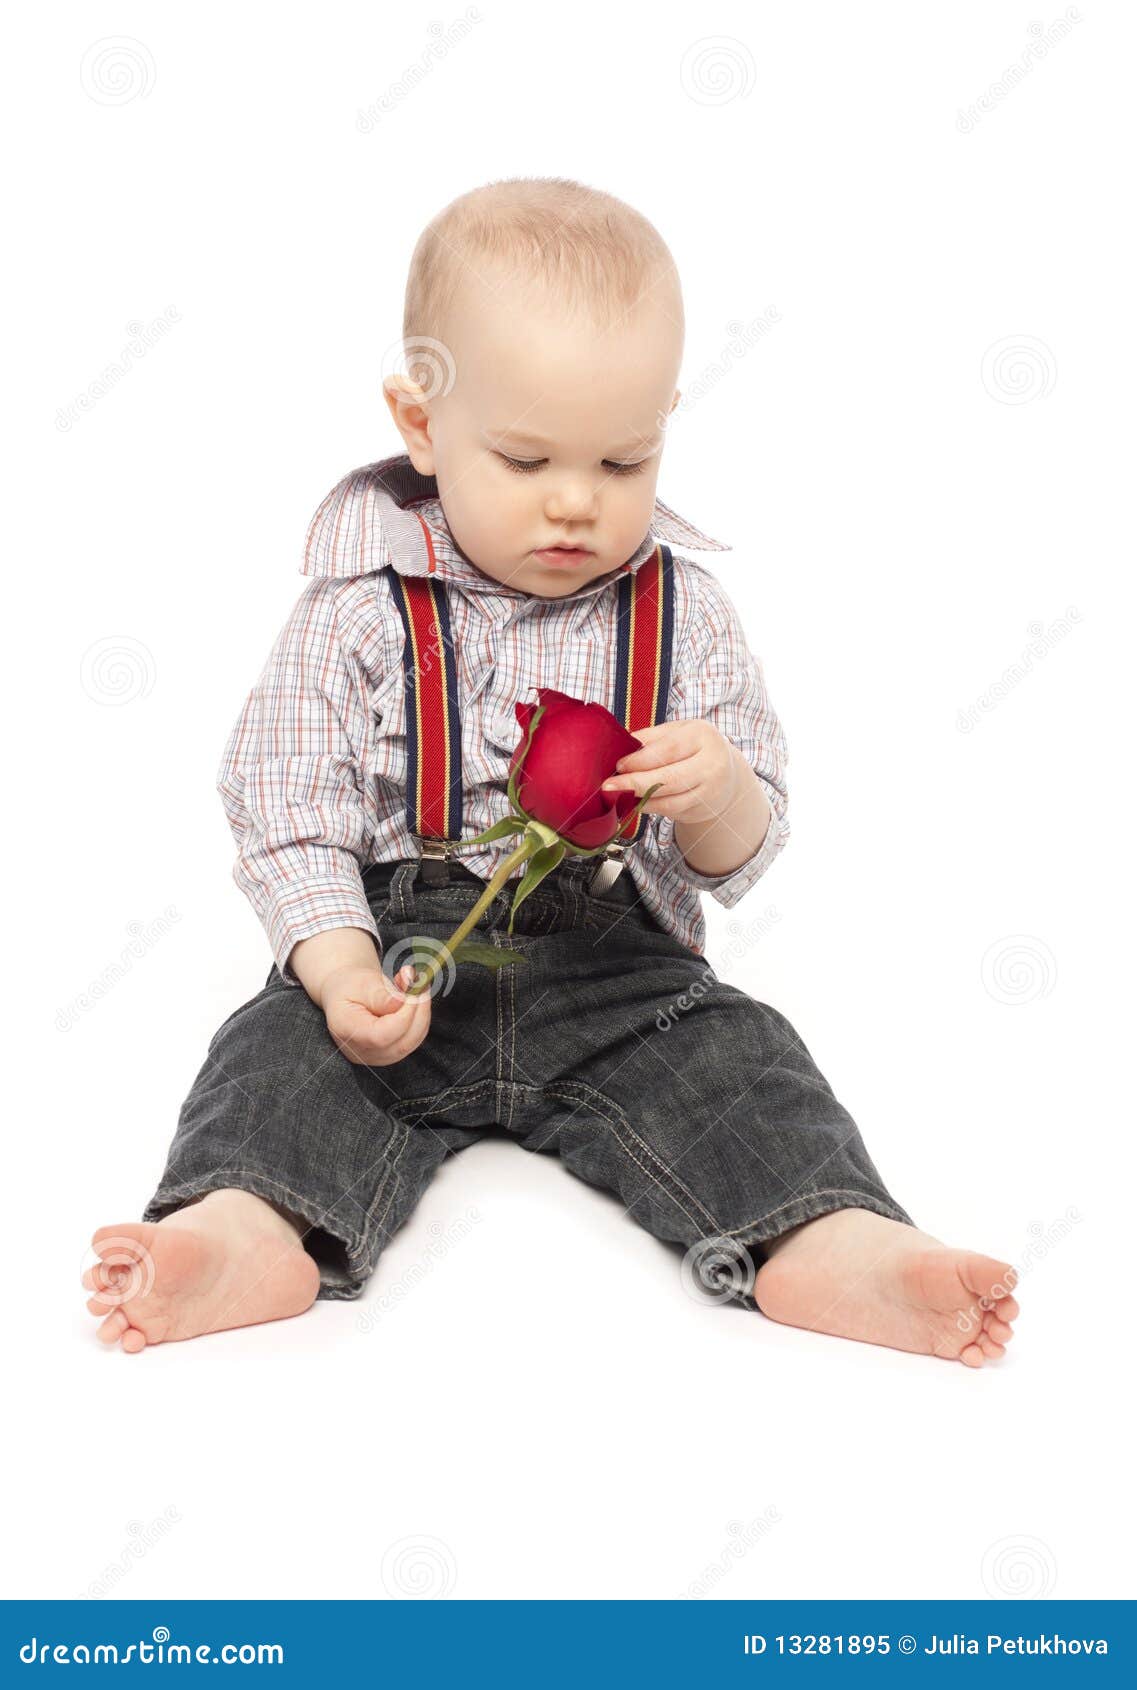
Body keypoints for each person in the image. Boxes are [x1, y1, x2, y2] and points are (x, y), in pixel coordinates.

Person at [82, 177, 1019, 1362]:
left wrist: (719, 789)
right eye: (524, 459)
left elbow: (741, 852)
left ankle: (829, 1239)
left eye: (624, 461)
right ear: (421, 424)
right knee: (275, 1063)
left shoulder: (685, 614)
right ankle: (247, 1225)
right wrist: (336, 970)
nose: (576, 502)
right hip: (402, 957)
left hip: (615, 970)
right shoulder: (362, 606)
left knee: (744, 1059)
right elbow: (285, 808)